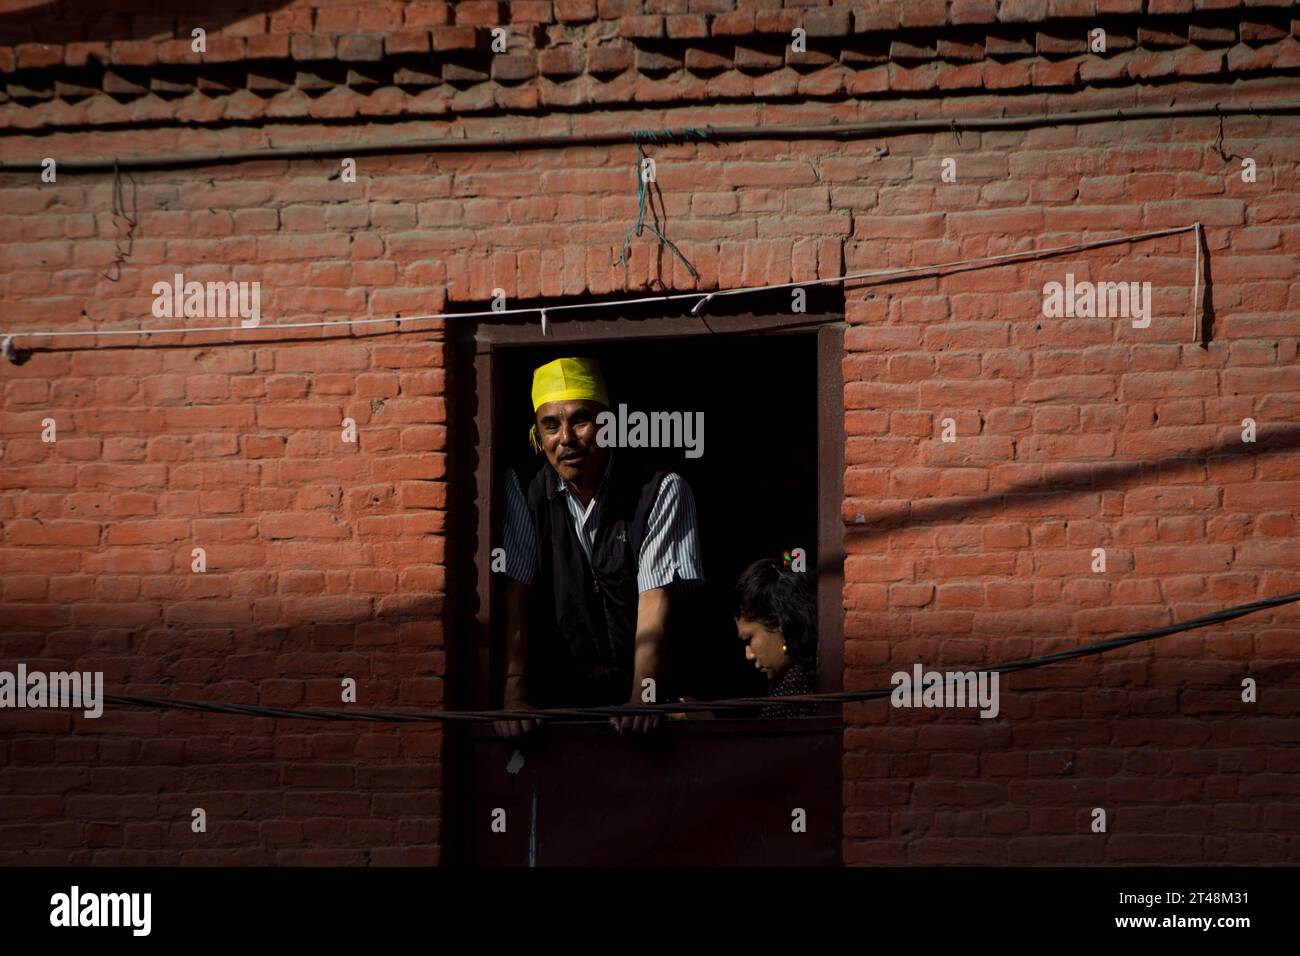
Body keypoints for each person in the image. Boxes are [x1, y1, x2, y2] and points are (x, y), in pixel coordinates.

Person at [493, 357, 704, 738]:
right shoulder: (525, 491)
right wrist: (515, 697)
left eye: (580, 420)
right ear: (538, 436)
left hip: (655, 709)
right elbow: (516, 593)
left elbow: (655, 598)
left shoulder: (659, 489)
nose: (567, 439)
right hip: (562, 705)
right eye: (551, 426)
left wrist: (644, 695)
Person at [733, 558, 818, 718]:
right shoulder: (805, 677)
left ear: (780, 624)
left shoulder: (793, 694)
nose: (748, 655)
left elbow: (762, 743)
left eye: (749, 638)